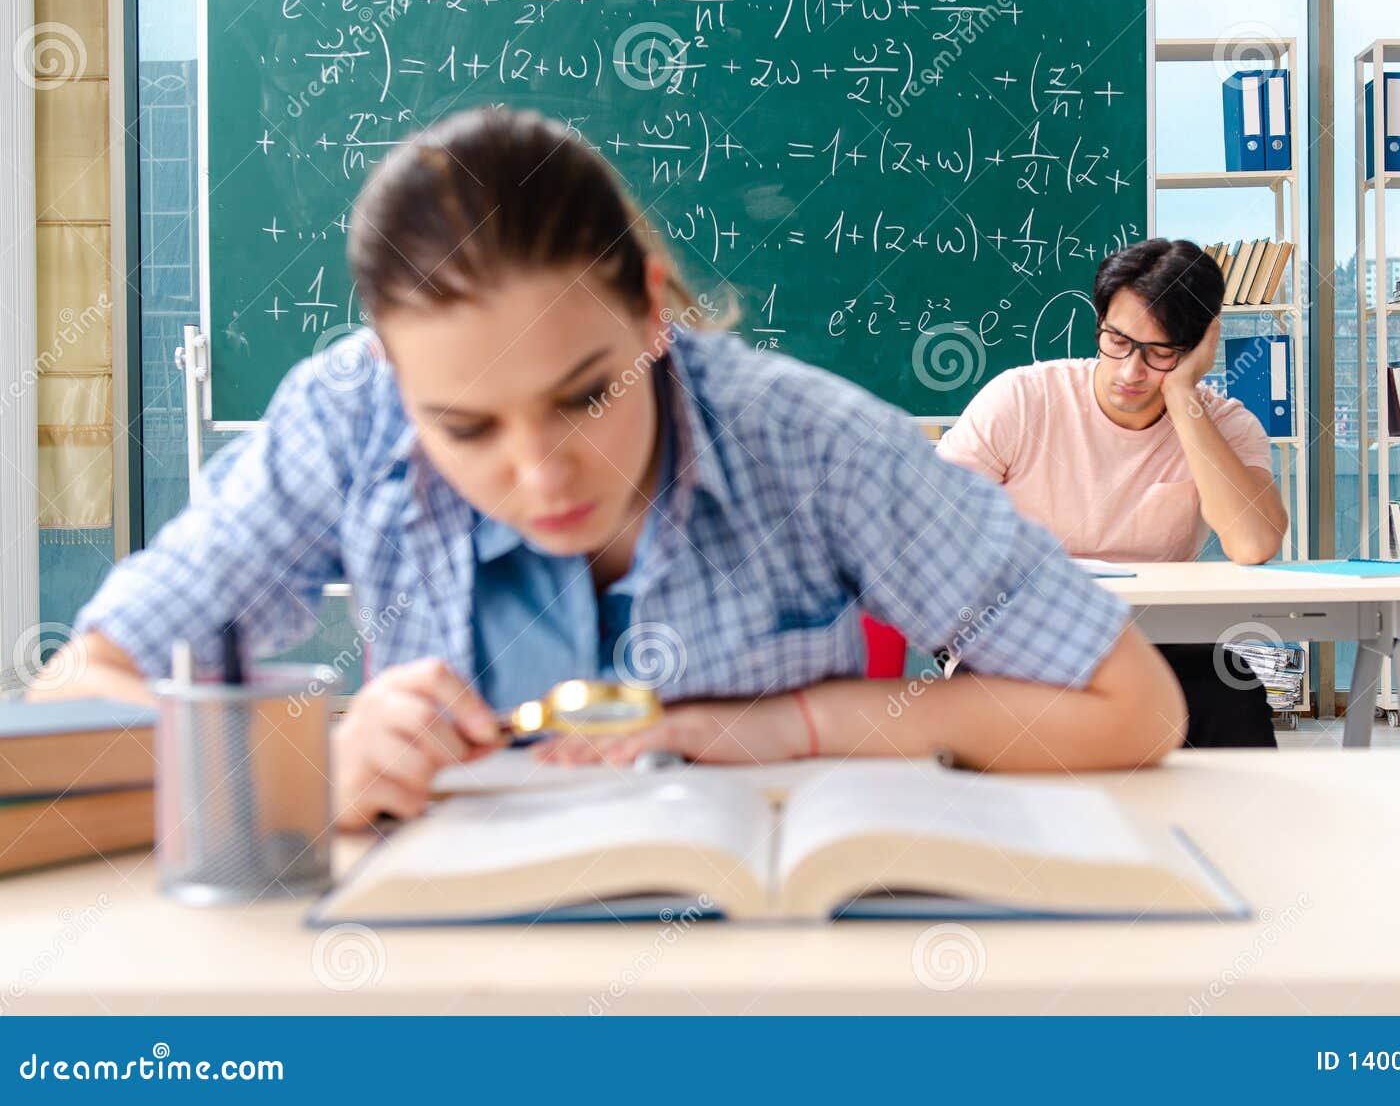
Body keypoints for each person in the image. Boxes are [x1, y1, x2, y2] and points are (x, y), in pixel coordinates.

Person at [32, 106, 1186, 828]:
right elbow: (79, 685)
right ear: (393, 376)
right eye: (465, 427)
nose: (541, 478)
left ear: (648, 310)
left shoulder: (813, 440)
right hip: (443, 986)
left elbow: (1132, 704)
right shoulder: (342, 416)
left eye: (584, 396)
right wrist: (308, 762)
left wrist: (794, 724)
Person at [938, 238, 1289, 747]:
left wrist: (1182, 397)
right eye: (1117, 341)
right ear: (1100, 323)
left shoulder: (1225, 426)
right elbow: (932, 526)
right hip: (1021, 636)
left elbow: (1253, 543)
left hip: (1153, 642)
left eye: (1160, 352)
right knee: (995, 710)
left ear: (1197, 348)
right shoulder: (1021, 399)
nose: (1130, 371)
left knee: (1232, 695)